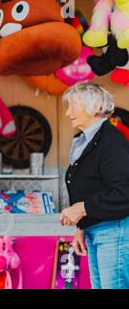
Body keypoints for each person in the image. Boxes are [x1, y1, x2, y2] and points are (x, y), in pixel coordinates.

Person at [60, 82, 129, 289]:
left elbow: (124, 191)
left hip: (115, 231)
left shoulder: (111, 141)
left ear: (97, 106)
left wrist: (82, 209)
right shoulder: (87, 140)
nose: (67, 112)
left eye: (73, 105)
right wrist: (82, 226)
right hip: (97, 231)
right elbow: (93, 186)